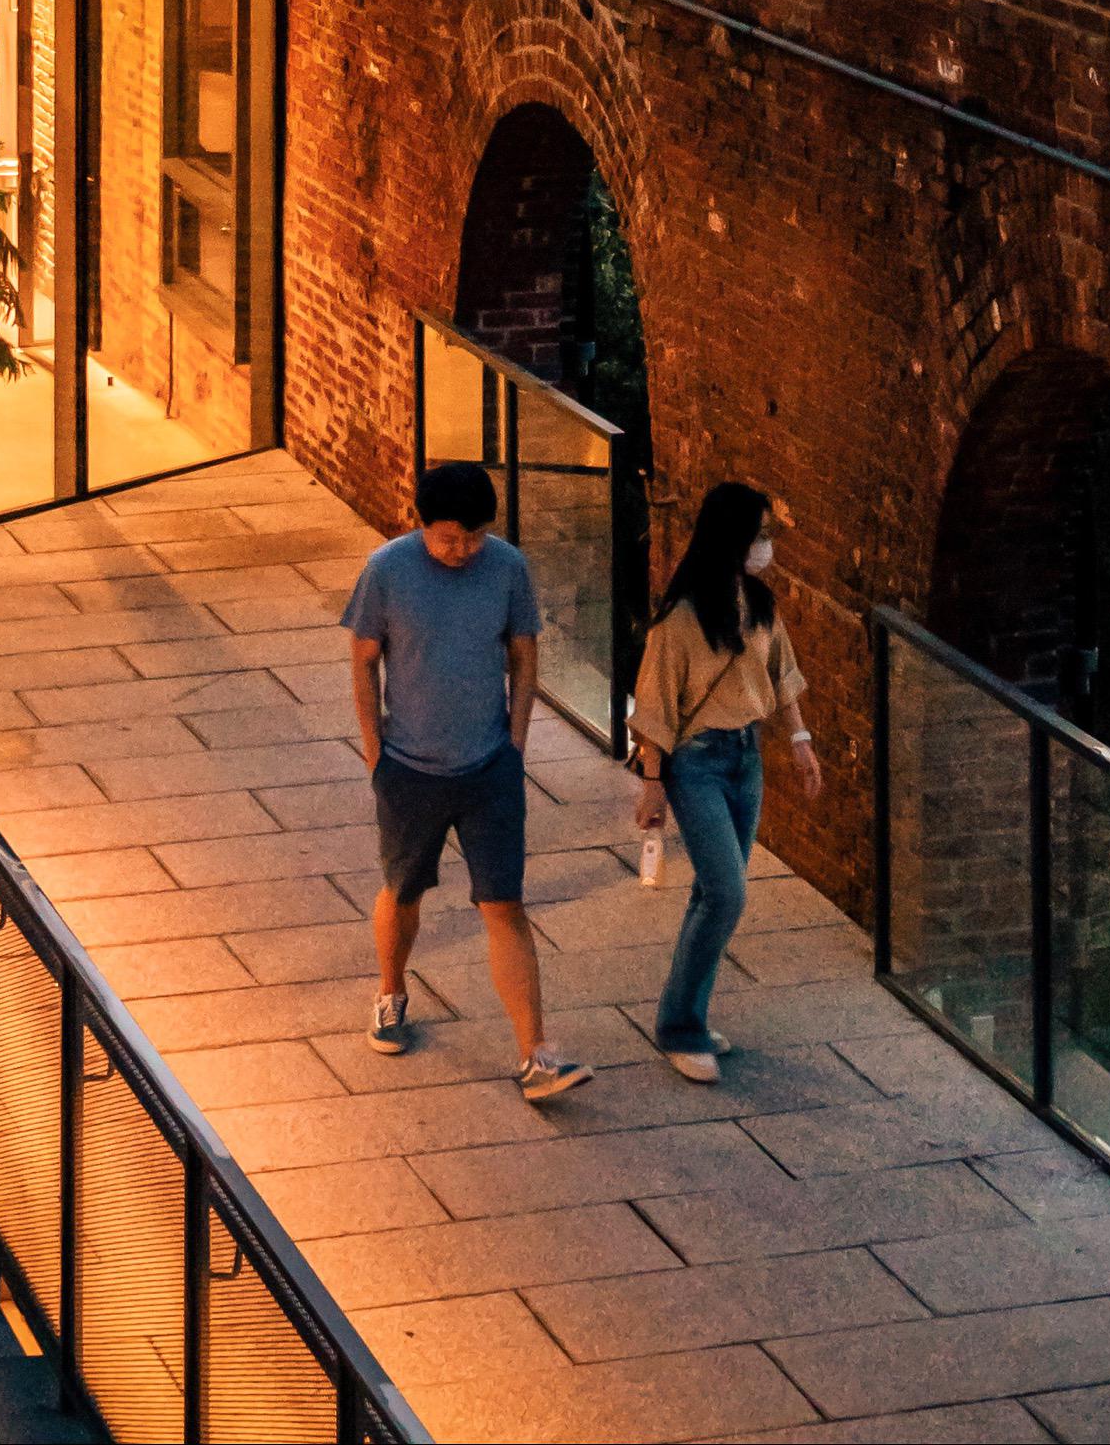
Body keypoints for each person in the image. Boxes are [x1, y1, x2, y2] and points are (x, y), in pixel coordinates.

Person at [342, 461, 591, 1109]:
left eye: (475, 537)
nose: (463, 550)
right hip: (410, 769)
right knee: (404, 889)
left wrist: (517, 743)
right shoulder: (386, 570)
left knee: (505, 905)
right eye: (450, 538)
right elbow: (364, 662)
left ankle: (535, 1054)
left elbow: (524, 655)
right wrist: (375, 754)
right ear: (422, 523)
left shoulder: (507, 567)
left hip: (489, 769)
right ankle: (391, 992)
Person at [630, 481, 819, 1082]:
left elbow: (781, 673)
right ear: (731, 537)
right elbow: (655, 706)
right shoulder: (681, 620)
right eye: (758, 535)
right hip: (697, 763)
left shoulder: (758, 602)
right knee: (728, 894)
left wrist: (799, 739)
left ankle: (686, 1015)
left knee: (714, 893)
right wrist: (653, 784)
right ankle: (680, 1028)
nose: (766, 546)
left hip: (746, 757)